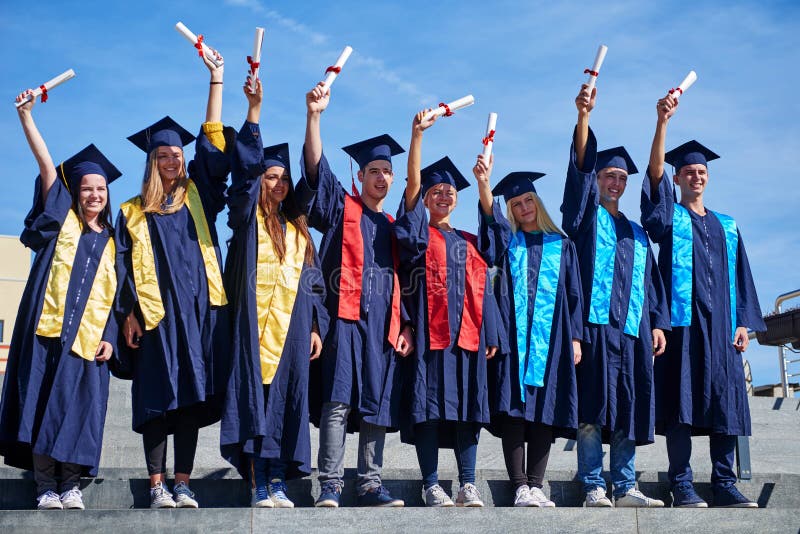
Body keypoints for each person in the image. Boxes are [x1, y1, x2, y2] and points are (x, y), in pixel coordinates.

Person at [114, 49, 231, 509]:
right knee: (160, 400)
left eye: (175, 153)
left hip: (200, 314)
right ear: (151, 161)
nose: (170, 159)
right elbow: (121, 268)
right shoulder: (131, 211)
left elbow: (213, 149)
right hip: (157, 317)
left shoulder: (198, 195)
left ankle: (183, 481)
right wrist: (127, 314)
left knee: (191, 401)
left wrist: (215, 82)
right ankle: (156, 483)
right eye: (161, 154)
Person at [640, 91, 766, 508]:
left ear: (708, 177)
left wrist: (744, 323)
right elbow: (654, 178)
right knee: (680, 405)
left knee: (726, 405)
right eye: (688, 172)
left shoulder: (727, 226)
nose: (696, 176)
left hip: (723, 332)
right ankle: (681, 483)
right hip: (683, 327)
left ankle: (725, 482)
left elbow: (742, 278)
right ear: (677, 178)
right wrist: (662, 124)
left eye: (701, 171)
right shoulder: (668, 218)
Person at [0, 90, 121, 510]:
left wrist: (110, 335)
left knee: (80, 412)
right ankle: (45, 484)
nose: (93, 195)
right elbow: (47, 167)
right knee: (40, 404)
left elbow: (118, 295)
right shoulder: (59, 223)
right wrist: (27, 118)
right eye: (86, 188)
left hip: (89, 343)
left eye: (100, 188)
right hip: (46, 333)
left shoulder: (113, 241)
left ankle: (71, 484)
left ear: (108, 194)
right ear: (75, 194)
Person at [296, 83, 414, 508]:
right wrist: (314, 117)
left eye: (387, 172)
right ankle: (329, 485)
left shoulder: (395, 227)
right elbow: (315, 169)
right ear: (359, 176)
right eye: (374, 171)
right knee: (338, 401)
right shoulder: (340, 208)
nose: (381, 177)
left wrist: (405, 325)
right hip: (342, 320)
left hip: (382, 326)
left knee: (376, 409)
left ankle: (369, 483)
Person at [219, 78, 328, 509]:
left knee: (287, 403)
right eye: (271, 176)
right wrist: (254, 111)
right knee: (256, 403)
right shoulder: (247, 220)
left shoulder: (299, 230)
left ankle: (278, 479)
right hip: (251, 330)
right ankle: (258, 481)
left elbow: (314, 283)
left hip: (292, 331)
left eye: (284, 178)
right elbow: (241, 178)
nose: (279, 184)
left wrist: (318, 325)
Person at [562, 84, 670, 508]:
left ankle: (625, 486)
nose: (616, 182)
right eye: (609, 175)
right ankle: (592, 484)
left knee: (628, 408)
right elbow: (579, 174)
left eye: (623, 178)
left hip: (632, 334)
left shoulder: (636, 232)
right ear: (598, 181)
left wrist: (658, 322)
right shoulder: (586, 220)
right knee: (591, 411)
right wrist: (584, 117)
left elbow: (652, 282)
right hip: (594, 329)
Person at [393, 110, 500, 507]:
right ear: (425, 199)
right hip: (430, 337)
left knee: (468, 412)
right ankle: (431, 483)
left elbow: (490, 276)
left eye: (449, 191)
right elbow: (410, 201)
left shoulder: (472, 240)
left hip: (469, 340)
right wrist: (416, 138)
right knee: (430, 410)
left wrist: (484, 182)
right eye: (435, 190)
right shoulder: (419, 236)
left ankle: (468, 483)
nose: (443, 194)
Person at [480, 166, 583, 508]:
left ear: (538, 202)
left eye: (529, 200)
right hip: (514, 337)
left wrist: (576, 339)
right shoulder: (507, 243)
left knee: (546, 408)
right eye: (517, 204)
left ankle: (537, 485)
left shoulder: (562, 245)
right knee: (515, 411)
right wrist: (484, 185)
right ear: (509, 210)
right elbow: (490, 231)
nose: (524, 208)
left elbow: (573, 295)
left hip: (552, 340)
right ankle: (519, 485)